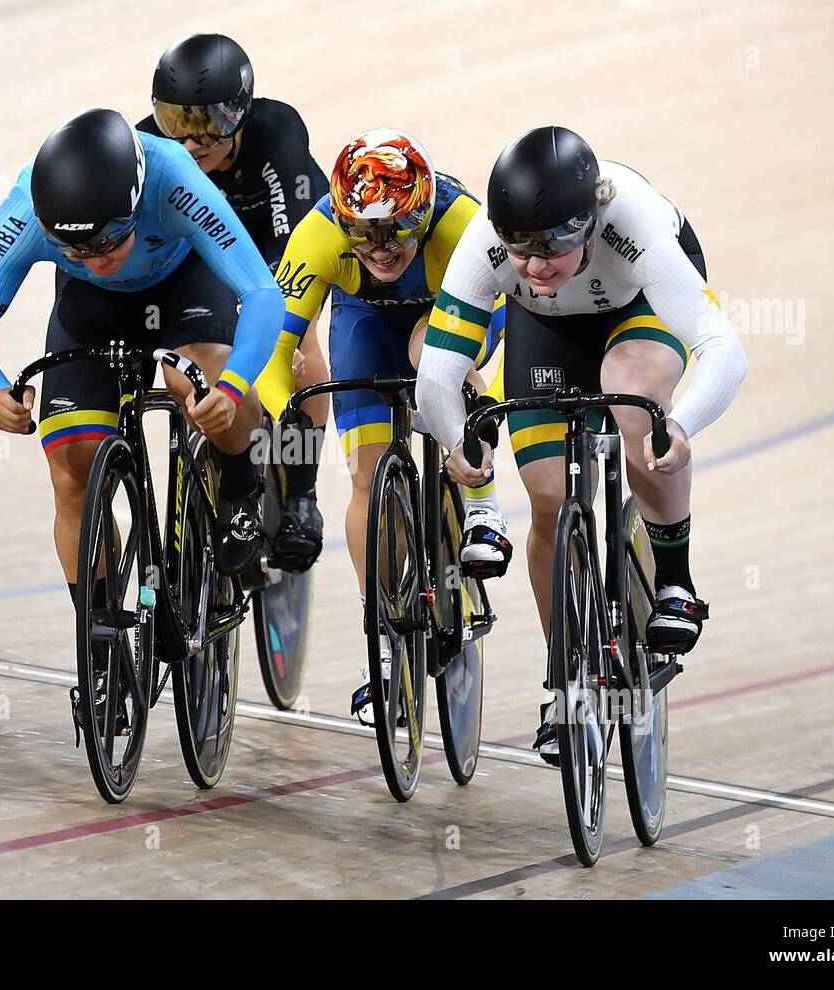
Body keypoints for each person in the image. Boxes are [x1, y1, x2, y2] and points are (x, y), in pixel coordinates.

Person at [416, 125, 747, 762]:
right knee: (547, 502)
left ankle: (674, 579)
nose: (536, 264)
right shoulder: (487, 241)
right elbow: (437, 373)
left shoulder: (635, 220)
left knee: (631, 393)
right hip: (546, 328)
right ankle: (564, 682)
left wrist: (679, 426)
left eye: (555, 244)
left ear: (590, 220)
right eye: (521, 248)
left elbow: (723, 350)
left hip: (637, 305)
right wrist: (457, 443)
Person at [0, 108, 285, 607]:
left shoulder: (171, 175)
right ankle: (100, 639)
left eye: (109, 240)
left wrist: (232, 387)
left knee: (196, 380)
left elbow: (262, 295)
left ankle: (238, 484)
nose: (99, 260)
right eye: (77, 250)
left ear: (137, 199)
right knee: (70, 470)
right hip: (91, 307)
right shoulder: (26, 211)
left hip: (183, 284)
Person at [262, 127, 511, 724]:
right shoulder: (320, 233)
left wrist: (488, 405)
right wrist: (283, 409)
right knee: (368, 479)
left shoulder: (464, 224)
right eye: (364, 234)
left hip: (449, 313)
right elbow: (276, 347)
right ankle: (382, 644)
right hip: (365, 323)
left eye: (396, 231)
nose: (380, 248)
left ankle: (479, 502)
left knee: (432, 356)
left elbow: (521, 322)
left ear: (423, 215)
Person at [139, 32, 330, 569]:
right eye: (177, 123)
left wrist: (270, 315)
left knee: (296, 332)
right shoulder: (148, 144)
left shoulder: (276, 131)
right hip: (200, 249)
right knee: (195, 343)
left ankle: (301, 493)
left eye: (209, 125)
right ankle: (229, 461)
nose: (192, 141)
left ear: (240, 115)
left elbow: (290, 242)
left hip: (278, 235)